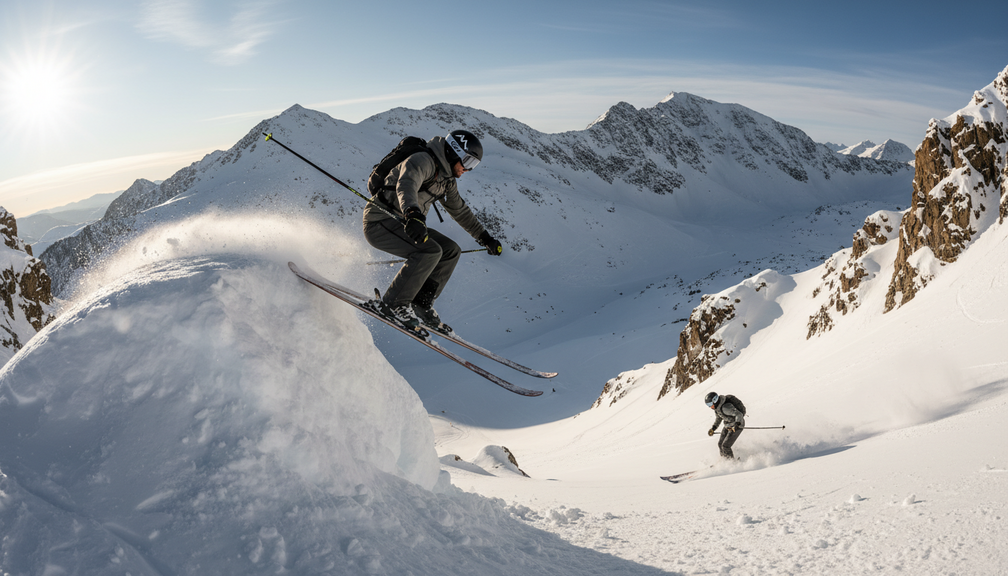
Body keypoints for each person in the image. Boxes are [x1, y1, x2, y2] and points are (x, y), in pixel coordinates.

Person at [363, 129, 502, 334]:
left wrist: (485, 237)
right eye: (467, 161)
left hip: (406, 223)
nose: (468, 169)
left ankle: (421, 303)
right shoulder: (422, 161)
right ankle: (394, 304)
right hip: (380, 221)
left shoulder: (447, 179)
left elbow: (460, 211)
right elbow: (406, 184)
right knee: (429, 251)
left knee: (450, 250)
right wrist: (412, 213)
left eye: (473, 165)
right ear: (454, 152)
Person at [705, 391, 746, 459]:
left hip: (738, 425)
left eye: (710, 404)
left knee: (725, 446)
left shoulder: (725, 408)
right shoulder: (717, 409)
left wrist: (737, 424)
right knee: (720, 444)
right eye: (708, 405)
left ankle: (731, 462)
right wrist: (713, 428)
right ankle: (724, 459)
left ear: (715, 401)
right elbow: (718, 418)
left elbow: (739, 414)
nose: (710, 407)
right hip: (728, 425)